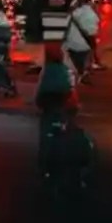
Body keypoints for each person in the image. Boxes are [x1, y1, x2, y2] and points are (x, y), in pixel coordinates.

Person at [34, 43, 79, 175]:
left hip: (50, 106)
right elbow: (71, 87)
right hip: (65, 105)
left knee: (46, 135)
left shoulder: (47, 70)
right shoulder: (66, 69)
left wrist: (38, 102)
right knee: (66, 132)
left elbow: (40, 90)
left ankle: (44, 164)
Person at [63, 0, 100, 82]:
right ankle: (83, 72)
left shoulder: (74, 12)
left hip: (73, 41)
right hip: (84, 39)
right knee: (85, 54)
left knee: (74, 58)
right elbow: (94, 27)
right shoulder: (90, 12)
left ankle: (79, 73)